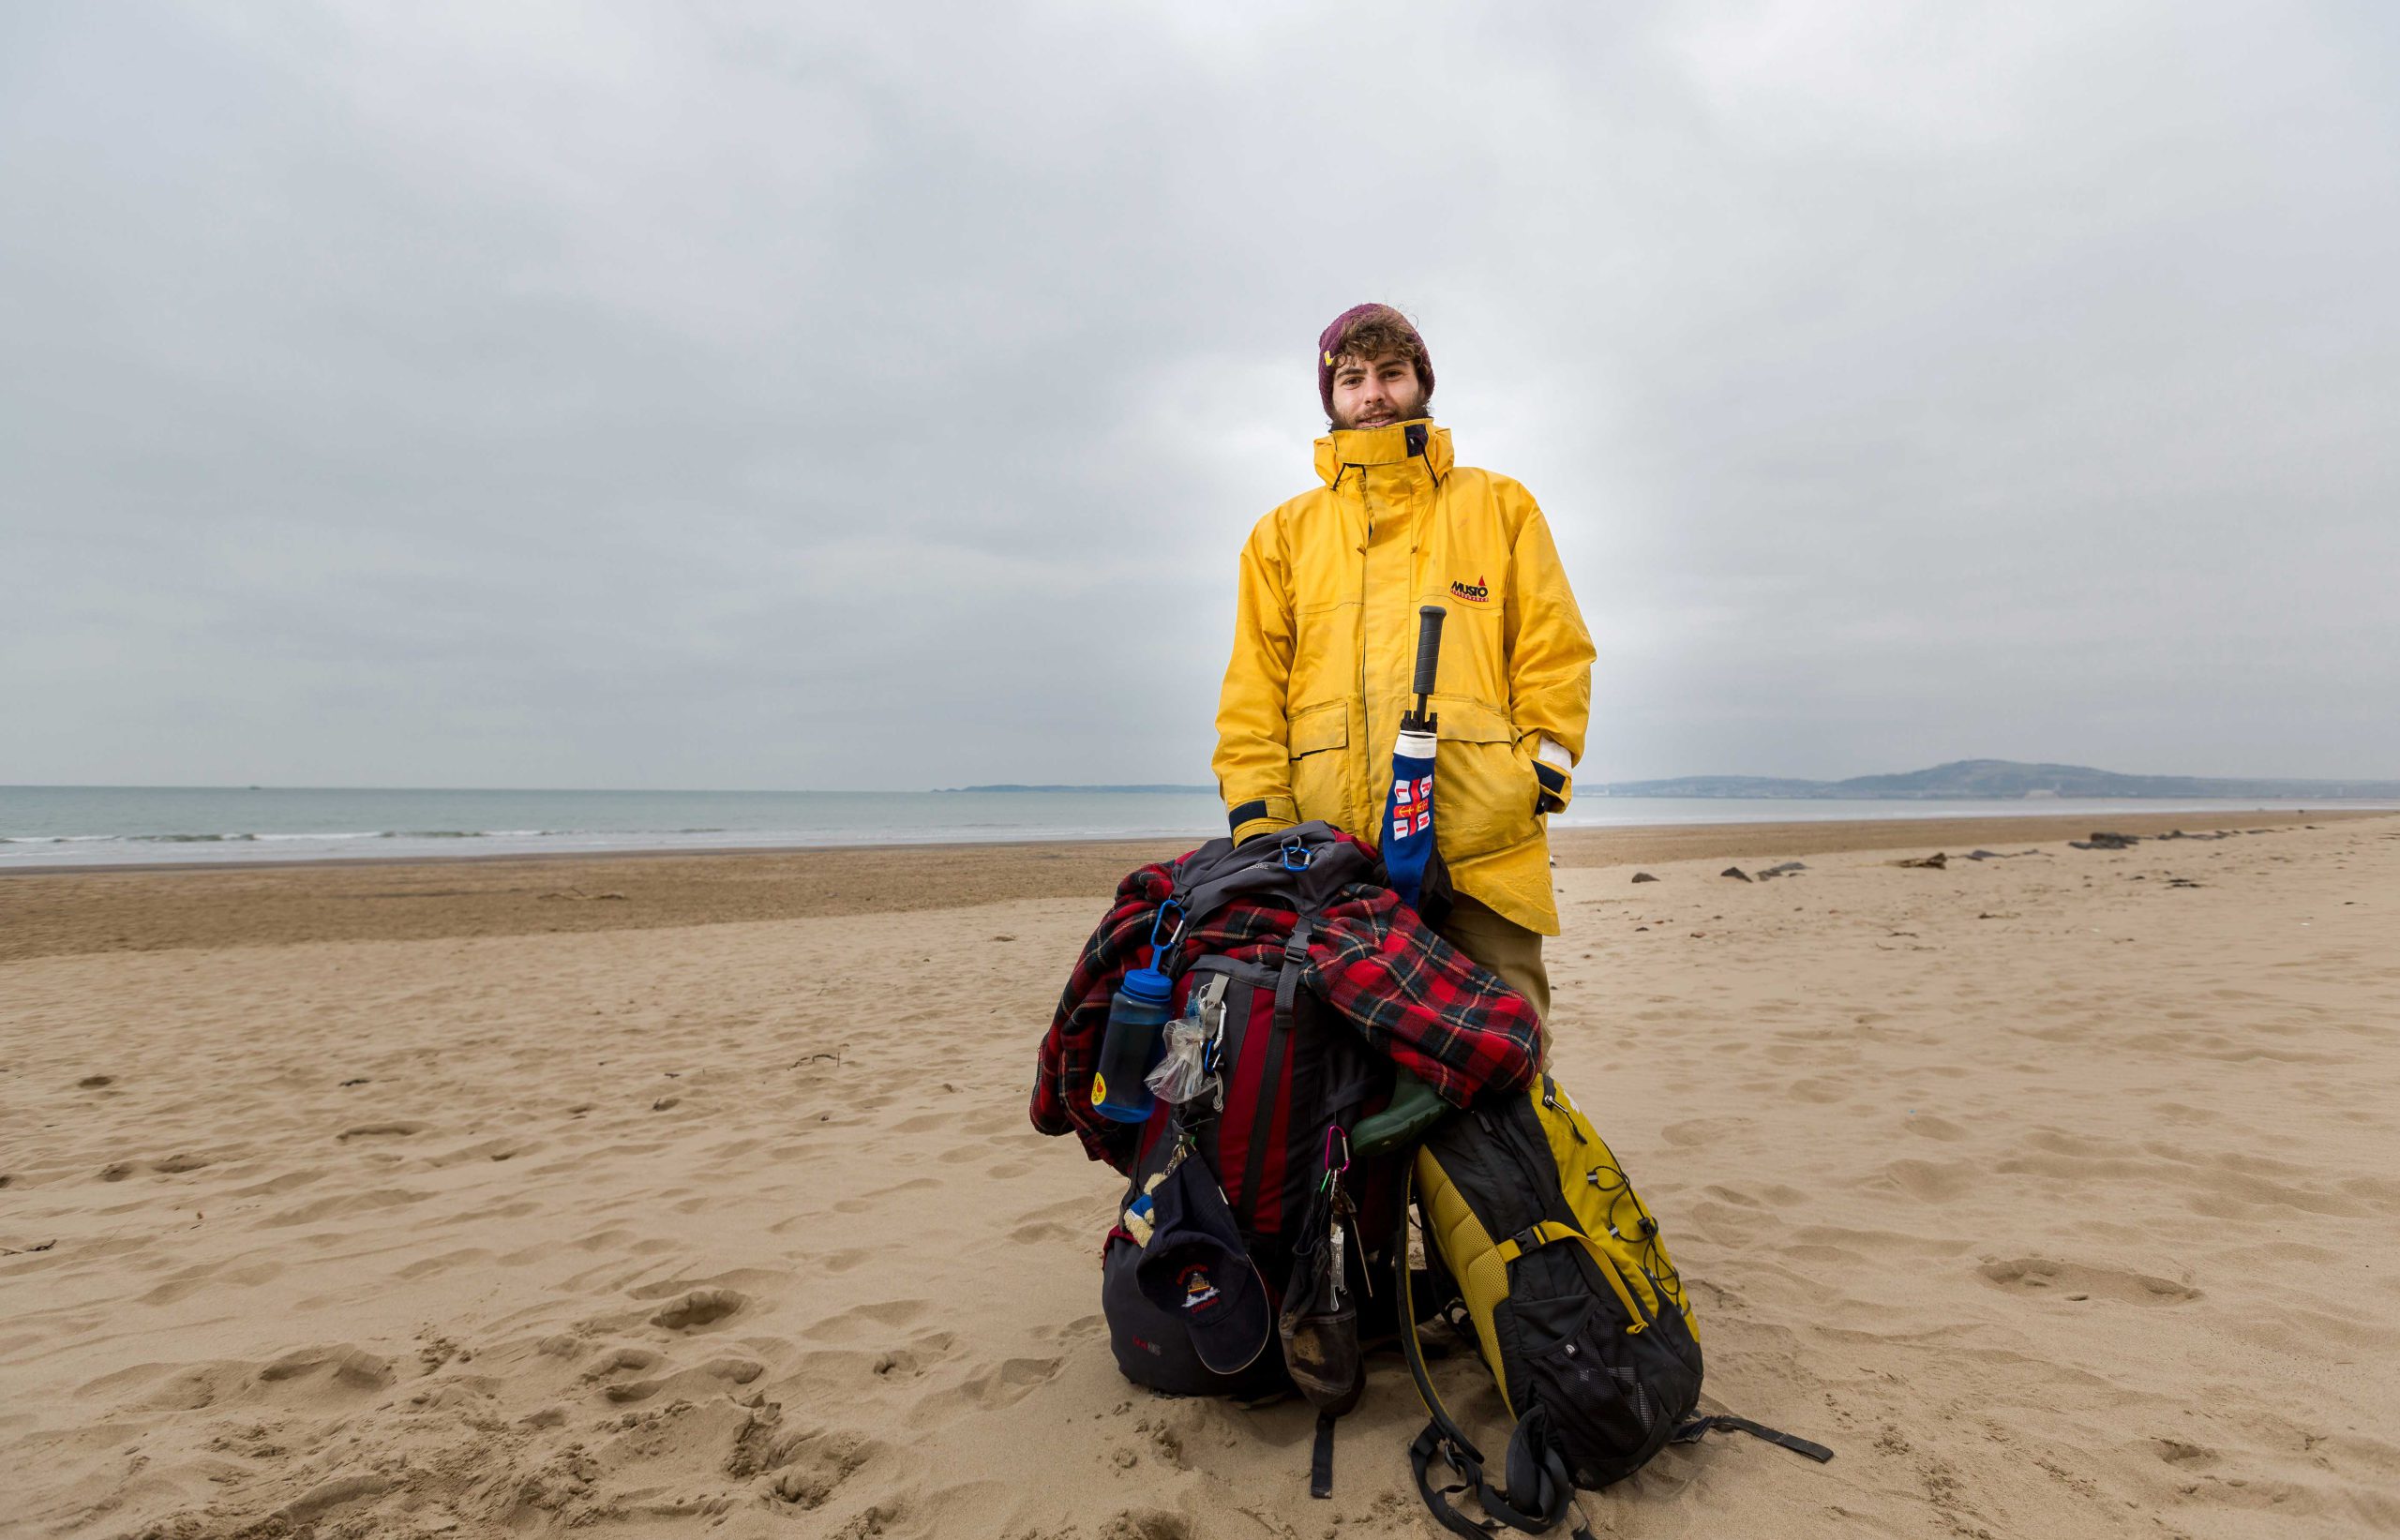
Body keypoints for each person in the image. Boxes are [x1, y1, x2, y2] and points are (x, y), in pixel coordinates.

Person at [1211, 303, 1595, 1025]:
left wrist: (1538, 771)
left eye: (1392, 373)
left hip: (1484, 845)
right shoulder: (1281, 536)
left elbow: (1555, 648)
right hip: (1329, 857)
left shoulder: (1502, 506)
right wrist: (1263, 826)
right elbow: (1252, 693)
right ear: (1332, 400)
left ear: (1422, 382)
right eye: (1352, 379)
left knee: (1506, 1052)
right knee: (1339, 1079)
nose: (1374, 394)